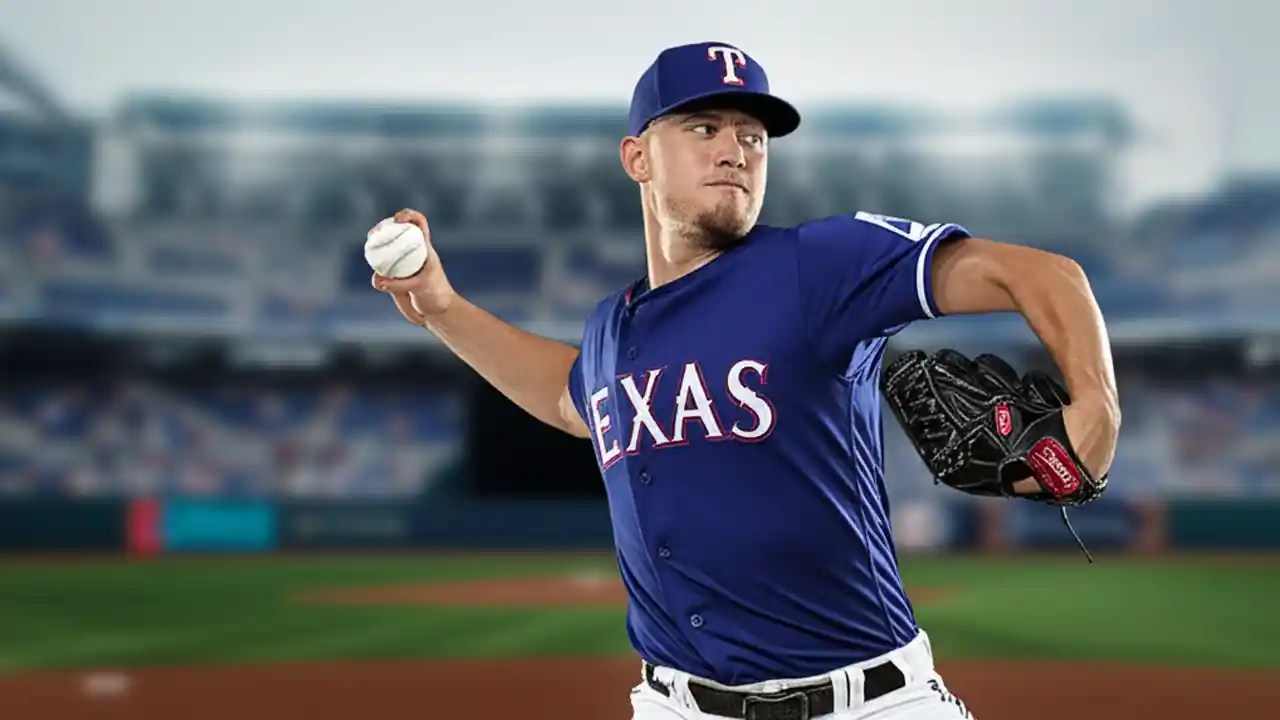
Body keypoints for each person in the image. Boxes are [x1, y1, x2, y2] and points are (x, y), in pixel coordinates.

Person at [372, 41, 1120, 720]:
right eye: (704, 128)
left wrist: (1096, 405)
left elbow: (1040, 274)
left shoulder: (817, 265)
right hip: (675, 705)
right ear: (637, 157)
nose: (735, 149)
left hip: (866, 703)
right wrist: (442, 308)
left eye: (753, 137)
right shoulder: (613, 327)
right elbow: (573, 399)